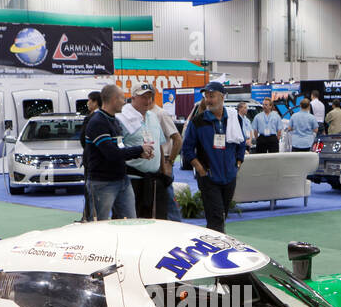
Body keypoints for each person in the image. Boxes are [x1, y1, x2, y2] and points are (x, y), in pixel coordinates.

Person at [181, 82, 245, 233]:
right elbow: (187, 149)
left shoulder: (235, 119)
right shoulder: (197, 122)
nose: (208, 100)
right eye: (206, 96)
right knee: (215, 218)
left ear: (222, 97)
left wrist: (237, 163)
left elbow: (241, 143)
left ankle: (216, 245)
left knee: (222, 215)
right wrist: (200, 169)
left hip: (229, 177)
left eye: (212, 96)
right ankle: (217, 249)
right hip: (209, 177)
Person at [83, 83, 151, 220]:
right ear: (114, 99)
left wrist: (140, 153)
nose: (124, 102)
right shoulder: (98, 122)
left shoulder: (114, 121)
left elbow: (120, 149)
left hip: (122, 180)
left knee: (131, 221)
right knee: (98, 225)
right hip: (102, 183)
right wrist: (139, 149)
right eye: (122, 98)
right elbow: (112, 153)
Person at [120, 84, 170, 219]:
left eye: (150, 97)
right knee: (133, 220)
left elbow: (159, 144)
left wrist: (164, 171)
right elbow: (118, 148)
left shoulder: (153, 117)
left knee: (155, 220)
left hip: (154, 179)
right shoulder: (122, 118)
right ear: (133, 97)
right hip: (132, 180)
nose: (147, 101)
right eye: (143, 97)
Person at [78, 90, 102, 221]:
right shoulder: (102, 117)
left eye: (90, 101)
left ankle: (88, 216)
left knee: (90, 190)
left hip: (91, 160)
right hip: (94, 159)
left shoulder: (91, 118)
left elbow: (83, 139)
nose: (88, 103)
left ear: (96, 102)